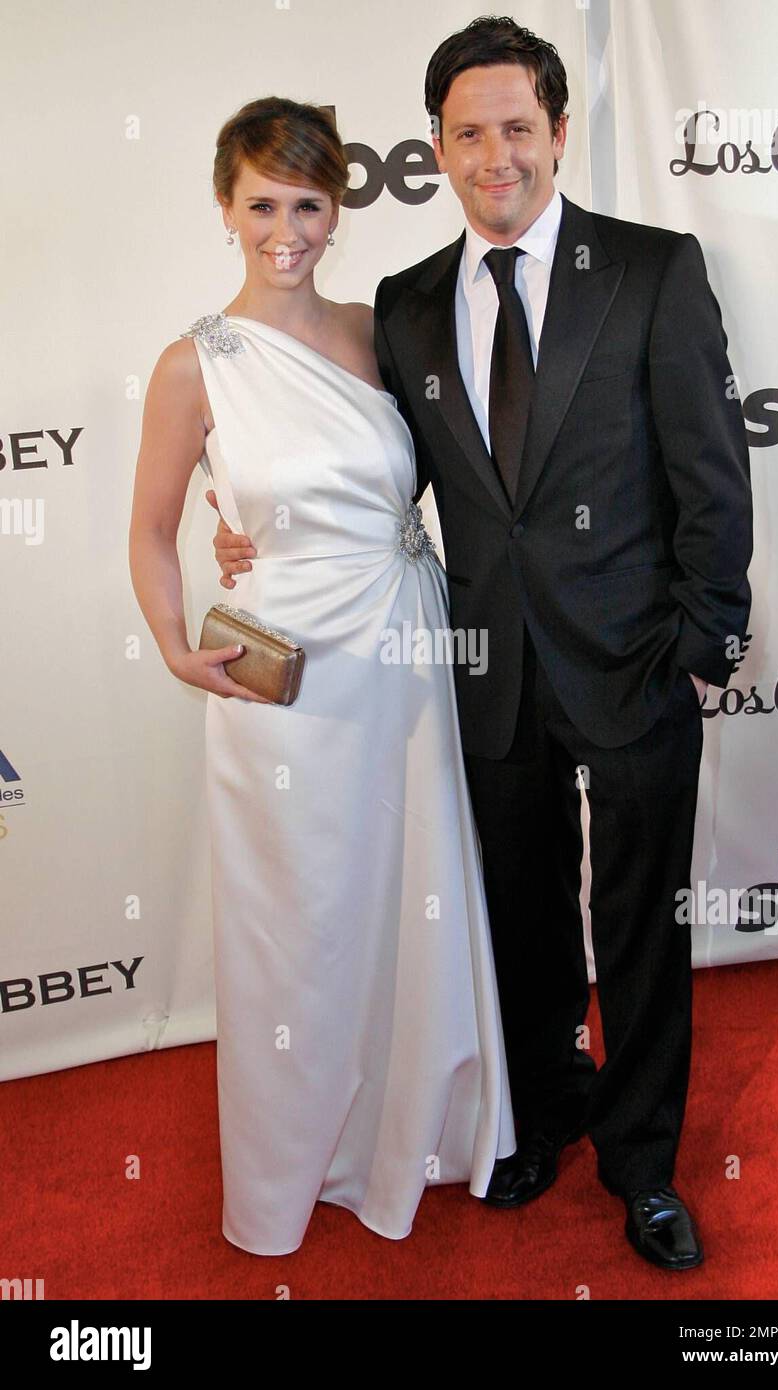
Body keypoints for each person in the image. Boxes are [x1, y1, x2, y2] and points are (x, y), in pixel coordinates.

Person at [213, 18, 753, 1271]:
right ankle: (544, 1114)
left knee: (638, 929)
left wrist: (702, 640)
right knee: (516, 922)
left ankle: (644, 1161)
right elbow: (346, 459)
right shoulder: (402, 308)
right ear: (439, 148)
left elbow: (711, 475)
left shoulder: (654, 269)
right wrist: (242, 523)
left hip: (633, 667)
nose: (493, 154)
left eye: (518, 127)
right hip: (477, 675)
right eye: (468, 133)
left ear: (559, 134)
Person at [128, 95, 516, 1257]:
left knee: (414, 888)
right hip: (283, 678)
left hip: (404, 646)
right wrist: (170, 633)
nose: (285, 228)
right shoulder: (193, 363)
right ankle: (301, 1160)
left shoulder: (381, 327)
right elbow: (151, 528)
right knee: (295, 919)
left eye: (308, 203)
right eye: (262, 205)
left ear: (337, 207)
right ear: (225, 208)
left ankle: (428, 1135)